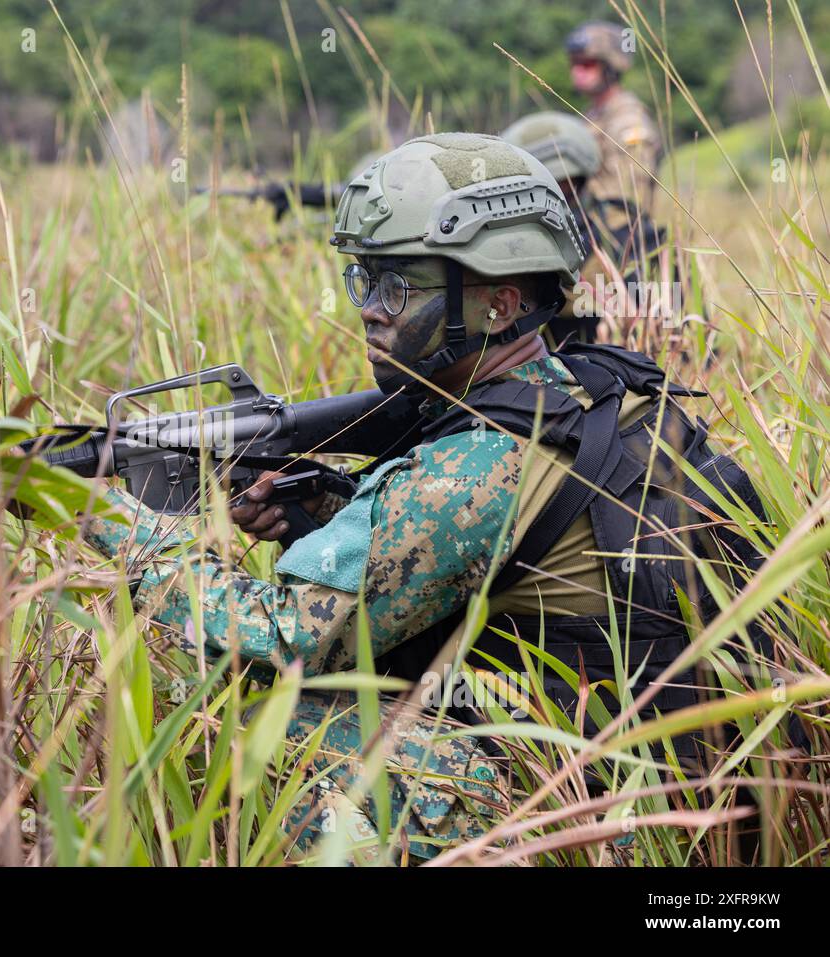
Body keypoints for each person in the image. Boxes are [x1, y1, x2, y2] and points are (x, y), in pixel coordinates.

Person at [69, 134, 764, 863]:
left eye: (397, 288)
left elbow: (286, 634)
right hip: (701, 792)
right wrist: (335, 506)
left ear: (498, 303)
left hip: (619, 825)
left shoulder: (477, 464)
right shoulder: (603, 392)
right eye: (362, 281)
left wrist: (113, 524)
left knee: (292, 713)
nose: (369, 309)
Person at [501, 111, 665, 344]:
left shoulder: (624, 230)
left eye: (563, 183)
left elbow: (666, 314)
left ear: (579, 180)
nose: (554, 193)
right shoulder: (506, 242)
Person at [566, 20, 663, 207]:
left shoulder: (628, 118)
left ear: (610, 66)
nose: (577, 71)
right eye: (574, 63)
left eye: (588, 64)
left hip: (616, 231)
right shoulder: (592, 115)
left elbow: (630, 196)